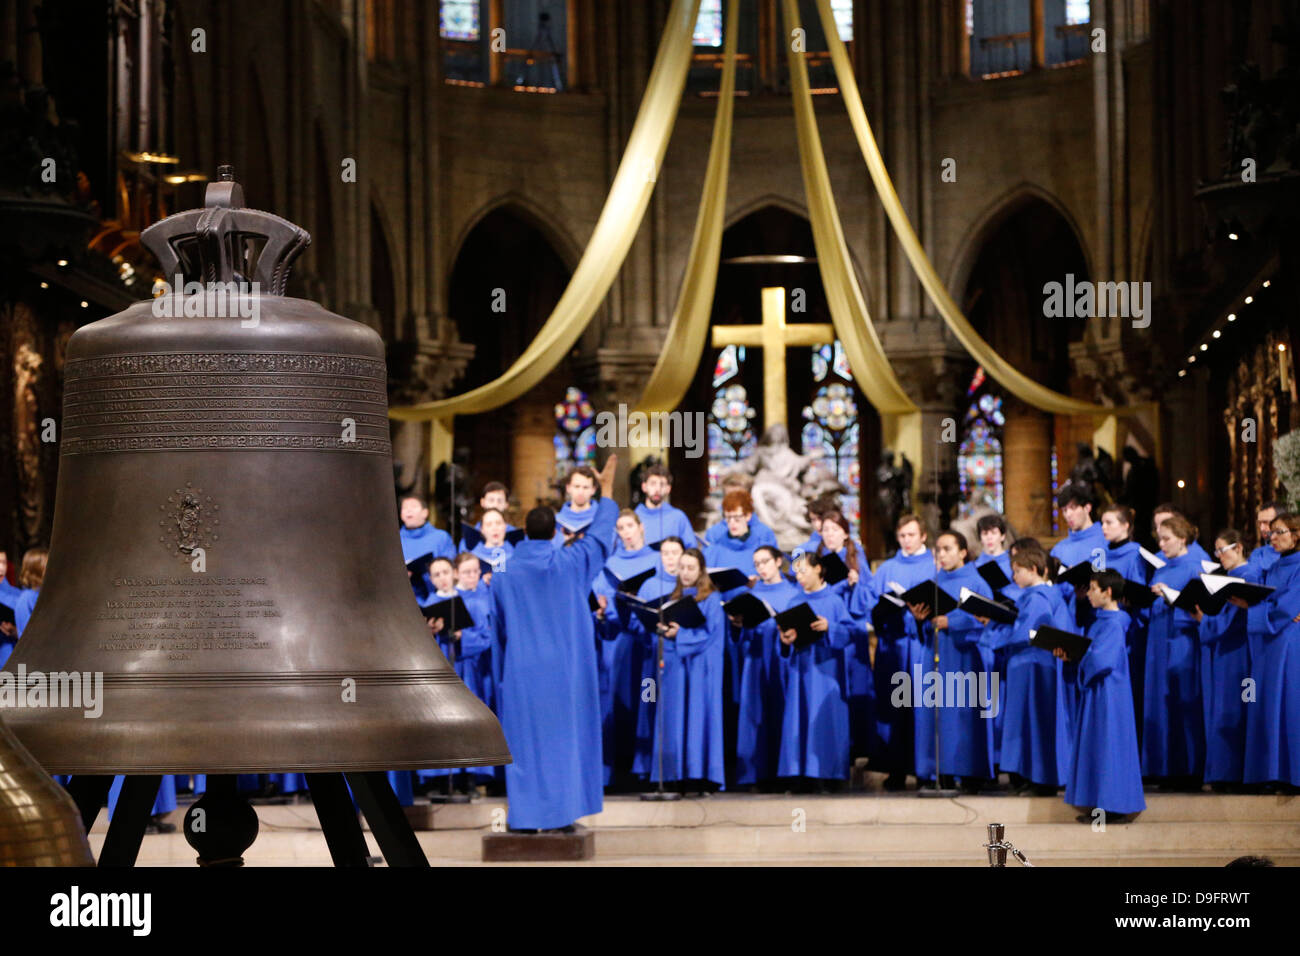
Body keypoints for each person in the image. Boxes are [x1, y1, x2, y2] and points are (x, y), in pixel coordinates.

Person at [491, 484, 619, 832]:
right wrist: (605, 493)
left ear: (523, 534)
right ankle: (561, 817)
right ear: (557, 533)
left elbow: (497, 631)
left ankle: (525, 817)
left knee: (525, 745)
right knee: (562, 742)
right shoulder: (571, 562)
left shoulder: (503, 574)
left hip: (522, 673)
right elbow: (602, 535)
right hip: (565, 672)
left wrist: (501, 675)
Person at [908, 530, 996, 792]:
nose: (942, 555)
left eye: (947, 549)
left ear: (963, 552)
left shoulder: (977, 582)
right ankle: (939, 772)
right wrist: (919, 616)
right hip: (934, 653)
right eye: (938, 550)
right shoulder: (933, 582)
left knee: (963, 716)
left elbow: (987, 621)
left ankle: (969, 774)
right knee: (935, 716)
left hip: (964, 657)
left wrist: (952, 621)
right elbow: (922, 627)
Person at [1062, 569, 1145, 821]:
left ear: (1107, 593)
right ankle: (1100, 804)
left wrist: (1079, 655)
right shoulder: (1102, 621)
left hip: (1109, 693)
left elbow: (1102, 658)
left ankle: (1113, 806)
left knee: (1109, 744)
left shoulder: (1115, 622)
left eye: (1093, 589)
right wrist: (1072, 656)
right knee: (1098, 743)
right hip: (1098, 691)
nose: (1087, 594)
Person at [994, 547, 1071, 794]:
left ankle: (1041, 779)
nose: (1014, 576)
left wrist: (993, 632)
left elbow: (1025, 632)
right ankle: (1033, 776)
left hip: (1033, 665)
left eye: (1018, 571)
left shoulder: (1038, 597)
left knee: (1035, 722)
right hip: (1032, 664)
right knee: (1031, 722)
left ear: (1034, 570)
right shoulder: (1043, 595)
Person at [867, 514, 936, 789]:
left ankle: (925, 770)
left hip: (921, 644)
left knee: (922, 708)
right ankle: (895, 769)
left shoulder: (934, 565)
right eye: (902, 536)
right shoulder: (887, 568)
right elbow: (872, 606)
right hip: (893, 645)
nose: (907, 541)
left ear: (923, 536)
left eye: (911, 535)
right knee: (895, 707)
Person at [592, 509, 660, 788]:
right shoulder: (608, 566)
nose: (625, 531)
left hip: (645, 645)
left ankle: (644, 770)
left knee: (646, 700)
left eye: (630, 525)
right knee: (615, 704)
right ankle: (615, 773)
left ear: (641, 527)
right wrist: (602, 613)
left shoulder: (656, 561)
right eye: (620, 527)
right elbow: (599, 606)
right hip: (617, 644)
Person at [650, 547, 726, 792]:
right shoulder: (673, 598)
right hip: (676, 668)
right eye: (681, 567)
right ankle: (675, 774)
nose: (685, 572)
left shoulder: (712, 599)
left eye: (691, 568)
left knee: (697, 719)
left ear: (701, 570)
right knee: (674, 718)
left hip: (701, 668)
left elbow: (709, 636)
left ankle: (698, 775)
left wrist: (680, 633)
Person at [776, 552, 852, 790]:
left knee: (825, 720)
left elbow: (849, 633)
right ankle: (798, 773)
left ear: (818, 569)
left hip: (825, 671)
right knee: (798, 719)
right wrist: (785, 639)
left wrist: (830, 627)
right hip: (800, 669)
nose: (799, 576)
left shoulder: (834, 601)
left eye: (803, 570)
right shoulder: (793, 602)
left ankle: (827, 774)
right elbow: (784, 636)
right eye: (796, 572)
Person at [1142, 514, 1205, 789]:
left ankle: (1190, 771)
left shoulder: (1196, 566)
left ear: (1182, 538)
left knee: (1184, 701)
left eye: (1167, 539)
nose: (1162, 544)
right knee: (1161, 702)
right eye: (1160, 539)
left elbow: (1201, 608)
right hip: (1157, 639)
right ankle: (1165, 769)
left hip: (1182, 640)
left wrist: (1172, 595)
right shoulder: (1161, 567)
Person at [730, 545, 800, 788]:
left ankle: (784, 773)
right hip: (755, 659)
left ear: (778, 561)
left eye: (765, 562)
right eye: (757, 564)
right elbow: (739, 635)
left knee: (781, 713)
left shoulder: (793, 593)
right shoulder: (750, 594)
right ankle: (754, 773)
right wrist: (737, 625)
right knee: (753, 714)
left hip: (782, 662)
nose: (761, 568)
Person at [1192, 529, 1256, 790]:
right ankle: (1222, 773)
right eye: (1216, 552)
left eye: (1222, 550)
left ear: (1239, 548)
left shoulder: (1246, 576)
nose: (1219, 557)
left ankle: (1231, 775)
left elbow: (1229, 621)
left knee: (1232, 710)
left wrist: (1203, 621)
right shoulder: (1231, 576)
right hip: (1225, 652)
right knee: (1221, 710)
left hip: (1237, 653)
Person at [1243, 512, 1300, 791]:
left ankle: (1292, 775)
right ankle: (1270, 772)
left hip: (1288, 642)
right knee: (1266, 705)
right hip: (1269, 640)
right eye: (1270, 533)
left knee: (1288, 704)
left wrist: (1253, 609)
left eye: (1279, 532)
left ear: (1296, 534)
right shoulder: (1273, 565)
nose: (1272, 538)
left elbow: (1288, 608)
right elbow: (1262, 596)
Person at [817, 510, 874, 761]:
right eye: (825, 530)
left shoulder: (856, 556)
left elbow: (869, 595)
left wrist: (856, 581)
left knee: (857, 685)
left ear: (845, 532)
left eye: (834, 529)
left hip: (853, 629)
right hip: (829, 628)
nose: (829, 535)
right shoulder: (819, 559)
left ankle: (858, 744)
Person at [631, 535, 685, 780]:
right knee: (649, 707)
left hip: (677, 662)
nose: (670, 558)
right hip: (650, 662)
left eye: (675, 553)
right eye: (665, 553)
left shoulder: (687, 586)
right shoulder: (649, 586)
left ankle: (672, 768)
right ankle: (645, 768)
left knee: (671, 713)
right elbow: (634, 622)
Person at [1101, 504, 1151, 735]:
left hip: (1126, 628)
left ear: (1125, 525)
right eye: (1102, 522)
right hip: (1101, 623)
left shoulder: (1135, 554)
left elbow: (1140, 590)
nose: (1104, 527)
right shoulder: (1101, 553)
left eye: (1109, 522)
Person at [1050, 486, 1106, 631]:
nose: (1068, 514)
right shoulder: (1059, 549)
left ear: (1087, 507)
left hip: (1100, 619)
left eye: (1073, 508)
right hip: (1069, 622)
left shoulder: (1105, 540)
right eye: (1064, 510)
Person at [627, 464, 696, 551]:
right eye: (653, 483)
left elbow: (691, 551)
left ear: (668, 489)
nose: (657, 489)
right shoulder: (632, 518)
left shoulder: (678, 517)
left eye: (662, 484)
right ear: (644, 487)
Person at [703, 488, 778, 550]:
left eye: (736, 518)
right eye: (728, 517)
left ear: (748, 516)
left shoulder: (763, 536)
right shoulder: (715, 536)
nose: (732, 522)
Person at [458, 482, 516, 552]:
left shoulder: (516, 536)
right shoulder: (470, 538)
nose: (495, 505)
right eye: (491, 500)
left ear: (506, 505)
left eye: (500, 501)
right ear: (482, 502)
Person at [552, 465, 601, 543]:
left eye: (585, 487)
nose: (581, 492)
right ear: (568, 488)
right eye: (577, 486)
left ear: (593, 490)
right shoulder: (555, 522)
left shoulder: (602, 519)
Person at [471, 508, 514, 580]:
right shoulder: (473, 556)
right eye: (489, 524)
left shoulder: (517, 554)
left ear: (505, 526)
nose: (495, 528)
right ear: (482, 530)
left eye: (498, 523)